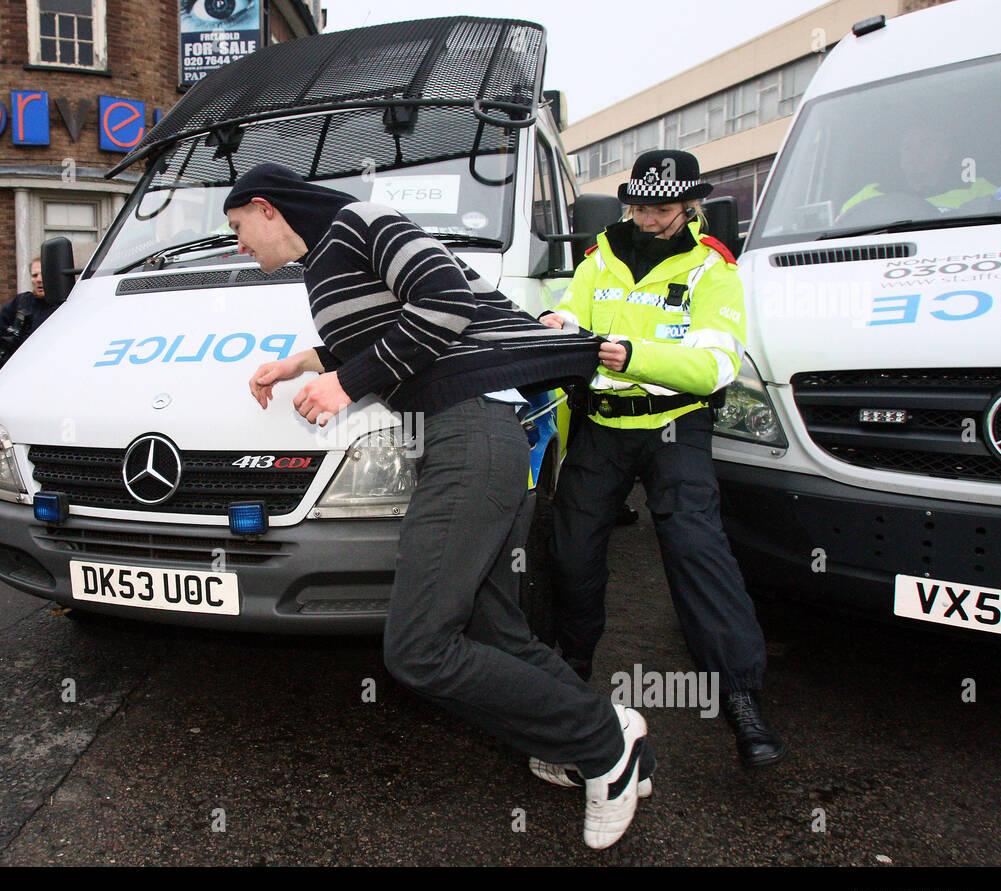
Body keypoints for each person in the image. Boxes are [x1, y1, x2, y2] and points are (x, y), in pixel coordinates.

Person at [227, 163, 655, 848]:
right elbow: (373, 333)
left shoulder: (360, 221)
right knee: (495, 631)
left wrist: (348, 383)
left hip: (470, 433)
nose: (240, 246)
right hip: (464, 442)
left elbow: (444, 301)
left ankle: (603, 742)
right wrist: (300, 364)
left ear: (264, 207)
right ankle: (620, 753)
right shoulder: (321, 267)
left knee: (419, 648)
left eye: (237, 228)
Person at [541, 149, 785, 768]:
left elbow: (715, 366)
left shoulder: (713, 271)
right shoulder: (600, 258)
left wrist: (635, 356)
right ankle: (571, 668)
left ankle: (739, 696)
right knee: (571, 544)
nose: (648, 219)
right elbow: (577, 310)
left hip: (676, 424)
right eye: (640, 206)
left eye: (662, 208)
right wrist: (560, 321)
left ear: (690, 205)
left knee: (696, 548)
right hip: (602, 423)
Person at [841, 124, 995, 216]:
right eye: (907, 147)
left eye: (925, 144)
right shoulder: (871, 194)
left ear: (945, 152)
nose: (914, 152)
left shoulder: (976, 190)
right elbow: (842, 225)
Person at [0, 258, 57, 355]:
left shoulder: (64, 305)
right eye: (35, 275)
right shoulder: (21, 302)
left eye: (43, 274)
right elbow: (0, 332)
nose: (39, 279)